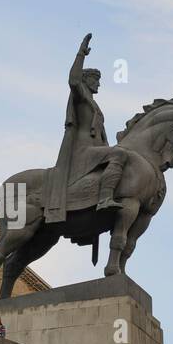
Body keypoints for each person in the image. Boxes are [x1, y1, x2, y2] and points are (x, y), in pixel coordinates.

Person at [42, 33, 129, 223]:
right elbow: (73, 80)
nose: (98, 83)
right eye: (95, 79)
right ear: (86, 80)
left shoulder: (94, 104)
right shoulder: (80, 95)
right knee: (119, 155)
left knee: (120, 153)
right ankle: (105, 198)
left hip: (95, 149)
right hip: (82, 151)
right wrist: (81, 54)